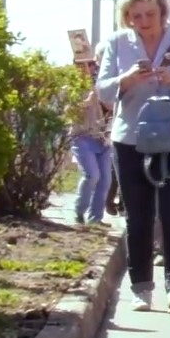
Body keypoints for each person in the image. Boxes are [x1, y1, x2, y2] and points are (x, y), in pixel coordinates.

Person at [95, 0, 170, 315]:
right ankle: (141, 288)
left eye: (149, 14)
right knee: (138, 215)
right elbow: (102, 91)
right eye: (136, 16)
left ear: (163, 13)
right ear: (127, 18)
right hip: (131, 137)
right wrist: (127, 79)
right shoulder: (118, 43)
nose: (143, 21)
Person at [70, 63, 112, 226]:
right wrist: (88, 101)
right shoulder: (70, 88)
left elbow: (110, 107)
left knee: (105, 180)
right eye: (85, 65)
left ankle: (95, 218)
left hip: (101, 137)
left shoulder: (99, 85)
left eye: (92, 65)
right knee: (91, 175)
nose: (90, 68)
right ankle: (79, 212)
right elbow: (68, 111)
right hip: (82, 136)